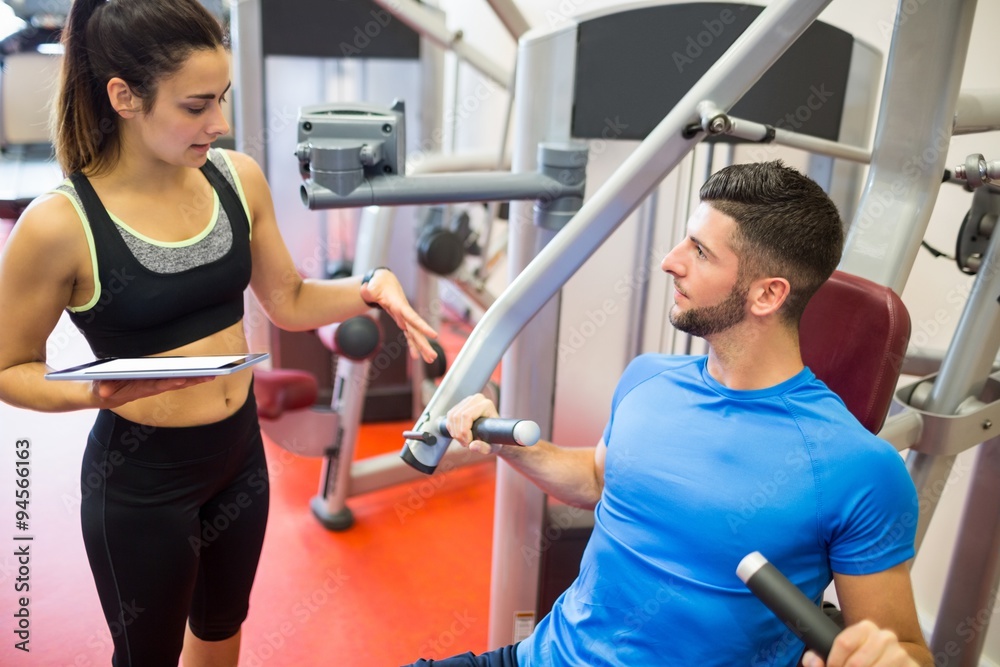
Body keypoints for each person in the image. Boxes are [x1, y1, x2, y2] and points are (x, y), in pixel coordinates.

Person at [0, 1, 437, 666]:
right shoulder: (59, 225)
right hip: (141, 480)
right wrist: (90, 391)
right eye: (197, 105)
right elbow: (8, 367)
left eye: (223, 99)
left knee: (220, 634)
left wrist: (371, 285)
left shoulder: (236, 179)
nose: (222, 123)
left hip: (238, 461)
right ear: (124, 96)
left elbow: (287, 299)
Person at [411, 161, 931, 667]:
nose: (670, 260)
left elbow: (903, 650)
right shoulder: (647, 378)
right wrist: (505, 440)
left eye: (700, 252)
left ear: (768, 294)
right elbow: (597, 477)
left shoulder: (859, 468)